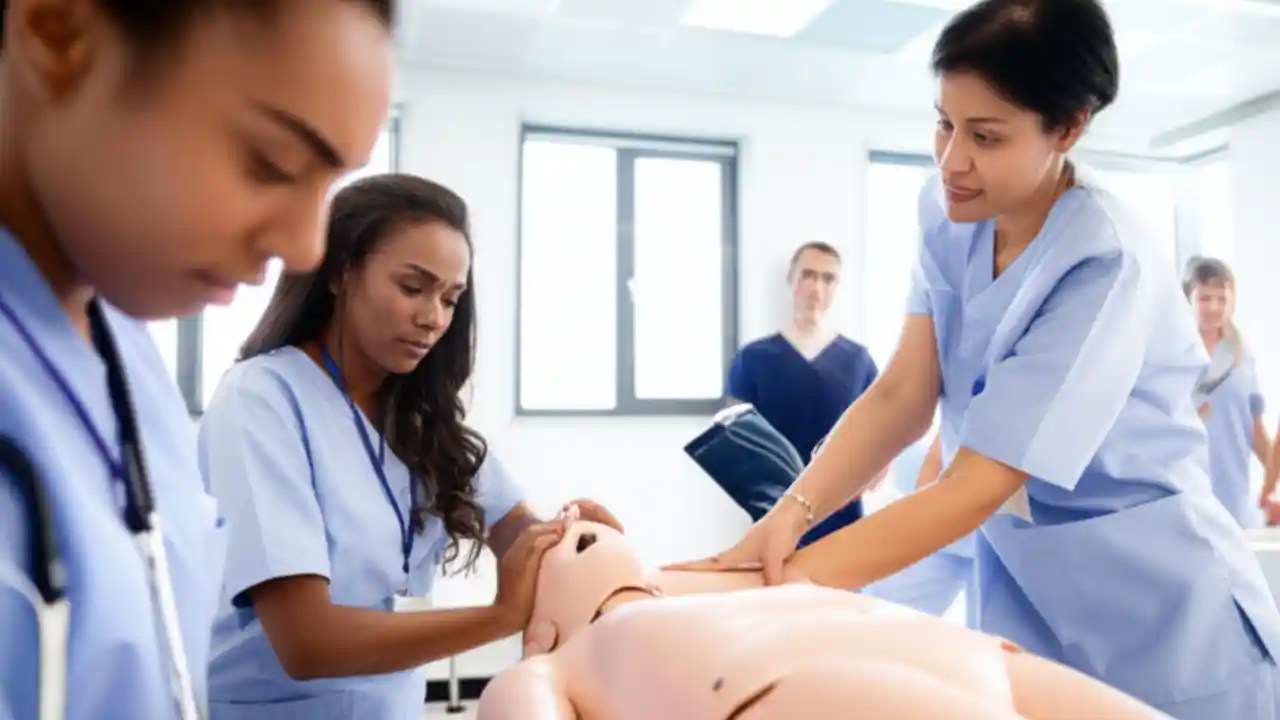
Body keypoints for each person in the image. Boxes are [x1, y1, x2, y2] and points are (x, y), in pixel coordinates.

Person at [671, 1, 1280, 717]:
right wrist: (786, 520)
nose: (952, 159)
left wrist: (776, 588)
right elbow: (903, 394)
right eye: (944, 123)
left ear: (1070, 127)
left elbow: (978, 482)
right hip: (1031, 591)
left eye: (986, 136)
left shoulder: (1103, 259)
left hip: (1162, 609)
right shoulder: (948, 213)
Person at [0, 0, 394, 718]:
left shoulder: (124, 351)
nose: (308, 248)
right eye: (271, 163)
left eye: (330, 185)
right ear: (58, 36)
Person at [197, 174, 622, 719]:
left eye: (450, 298)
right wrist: (498, 617)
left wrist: (572, 538)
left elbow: (520, 536)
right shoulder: (260, 399)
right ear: (340, 271)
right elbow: (306, 642)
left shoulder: (419, 419)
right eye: (412, 287)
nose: (434, 318)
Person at [476, 518, 1163, 719]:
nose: (571, 519)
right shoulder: (553, 664)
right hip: (814, 688)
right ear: (541, 625)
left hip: (985, 657)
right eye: (563, 540)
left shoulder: (709, 591)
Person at [724, 241, 882, 545]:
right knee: (779, 590)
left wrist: (876, 467)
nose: (816, 288)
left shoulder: (858, 361)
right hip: (775, 514)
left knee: (838, 590)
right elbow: (732, 439)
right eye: (808, 275)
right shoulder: (753, 358)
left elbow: (885, 428)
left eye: (828, 278)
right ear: (791, 279)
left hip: (841, 516)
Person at [1184, 257, 1271, 527]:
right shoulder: (1173, 354)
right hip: (1185, 486)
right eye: (1205, 298)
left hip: (1232, 492)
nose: (1213, 307)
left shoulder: (1242, 357)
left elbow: (1255, 428)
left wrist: (1273, 479)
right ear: (1188, 298)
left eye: (1221, 299)